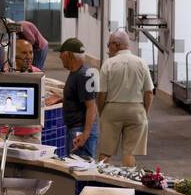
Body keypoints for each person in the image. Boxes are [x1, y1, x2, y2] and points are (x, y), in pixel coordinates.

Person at [96, 29, 153, 167]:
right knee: (129, 153)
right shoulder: (141, 63)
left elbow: (102, 93)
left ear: (116, 44)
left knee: (105, 152)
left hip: (112, 109)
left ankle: (101, 182)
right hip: (136, 110)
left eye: (109, 45)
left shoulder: (108, 64)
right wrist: (144, 112)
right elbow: (149, 92)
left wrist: (102, 112)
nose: (108, 49)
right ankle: (129, 184)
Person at [57, 37, 99, 159]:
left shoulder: (83, 75)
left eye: (61, 56)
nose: (60, 59)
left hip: (79, 130)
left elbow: (91, 107)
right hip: (76, 129)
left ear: (69, 55)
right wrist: (62, 99)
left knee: (80, 170)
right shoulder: (77, 72)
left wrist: (85, 135)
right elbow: (79, 97)